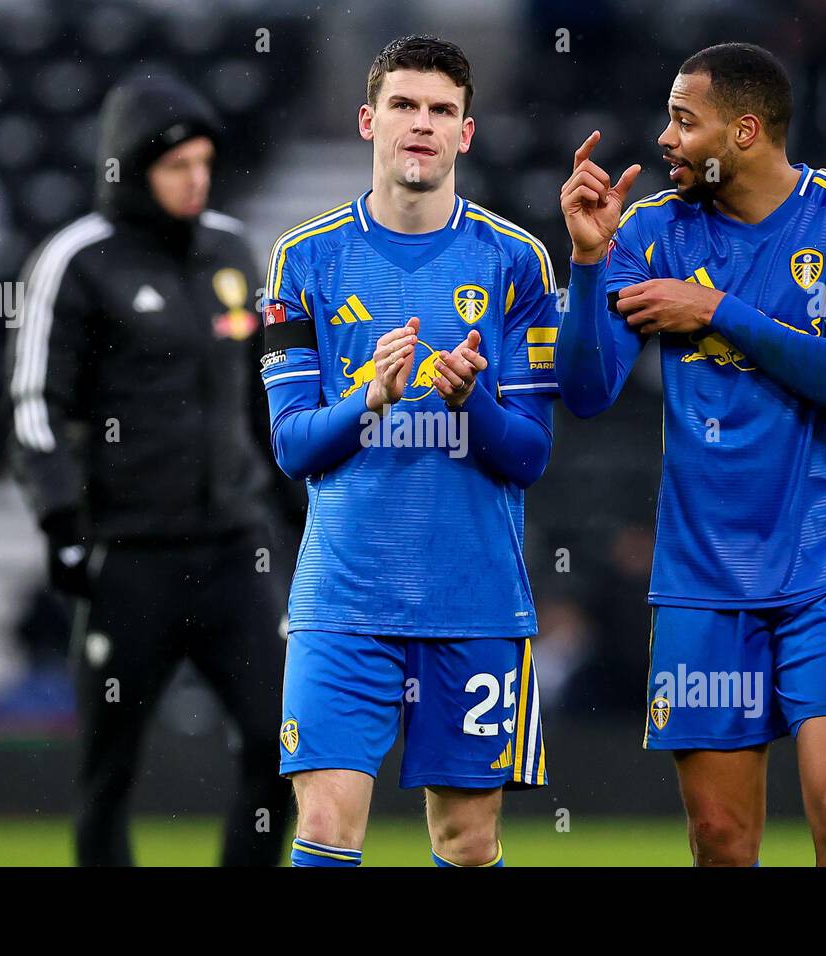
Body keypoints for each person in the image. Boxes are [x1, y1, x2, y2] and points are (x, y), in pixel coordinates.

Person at [556, 42, 826, 865]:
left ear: (745, 132)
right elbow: (586, 390)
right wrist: (586, 262)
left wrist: (715, 309)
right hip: (704, 577)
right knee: (720, 840)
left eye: (685, 121)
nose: (665, 139)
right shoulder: (649, 233)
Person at [259, 35, 556, 867]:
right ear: (368, 120)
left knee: (467, 838)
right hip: (343, 599)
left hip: (476, 598)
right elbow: (292, 447)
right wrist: (369, 399)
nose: (421, 125)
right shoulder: (301, 260)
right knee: (322, 828)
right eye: (404, 105)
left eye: (441, 111)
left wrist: (475, 404)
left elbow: (530, 455)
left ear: (466, 133)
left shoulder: (518, 263)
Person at [8, 73, 291, 867]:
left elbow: (267, 400)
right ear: (128, 169)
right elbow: (34, 405)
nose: (196, 180)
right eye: (175, 167)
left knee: (281, 746)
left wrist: (298, 512)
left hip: (237, 552)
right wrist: (62, 524)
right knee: (109, 772)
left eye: (204, 163)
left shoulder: (235, 250)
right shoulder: (76, 261)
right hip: (129, 560)